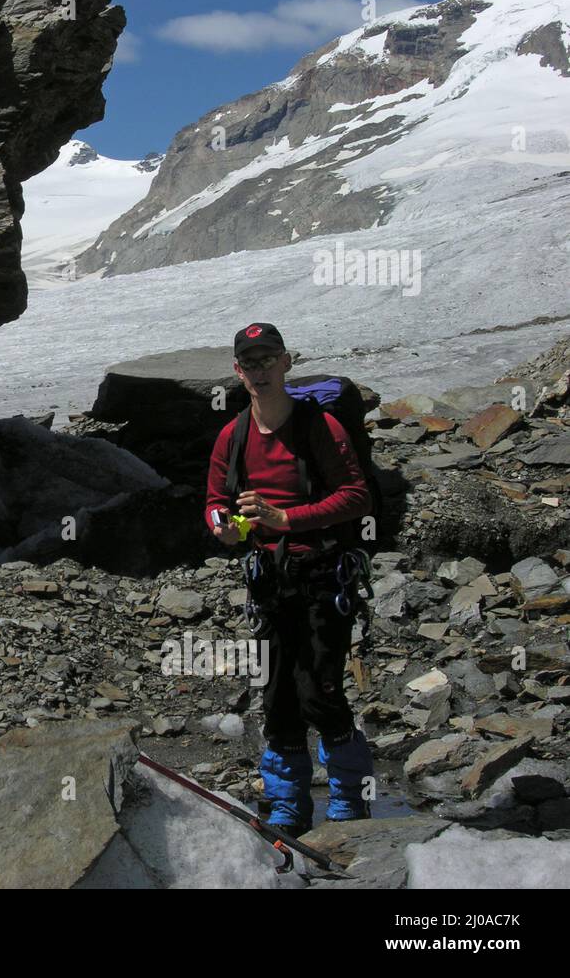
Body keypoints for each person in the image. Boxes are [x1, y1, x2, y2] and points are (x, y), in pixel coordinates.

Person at [204, 323, 374, 835]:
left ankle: (349, 803)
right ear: (238, 371)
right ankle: (289, 809)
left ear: (286, 363)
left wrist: (285, 520)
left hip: (325, 575)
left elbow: (356, 496)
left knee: (319, 689)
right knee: (277, 694)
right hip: (270, 582)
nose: (259, 370)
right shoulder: (233, 436)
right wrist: (224, 529)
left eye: (267, 359)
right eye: (249, 362)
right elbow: (215, 502)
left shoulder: (321, 428)